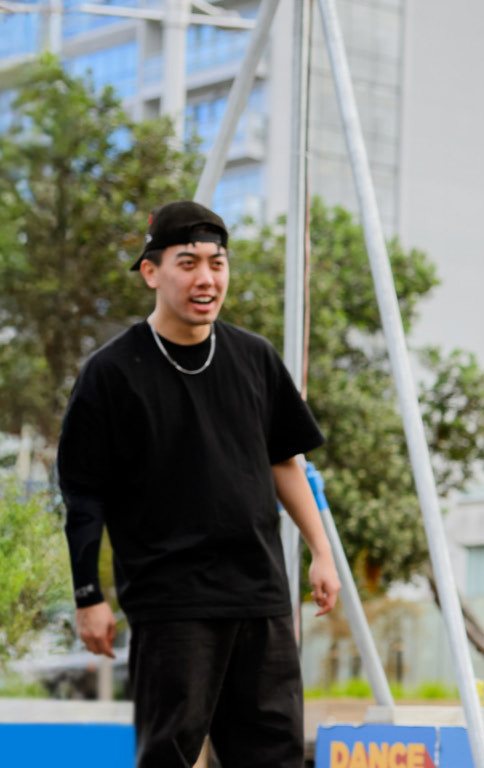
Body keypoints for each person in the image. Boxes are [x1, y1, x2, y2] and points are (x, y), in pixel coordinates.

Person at [57, 200, 341, 767]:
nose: (206, 278)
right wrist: (88, 595)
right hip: (171, 601)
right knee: (169, 755)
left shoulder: (254, 357)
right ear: (151, 271)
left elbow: (284, 460)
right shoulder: (111, 373)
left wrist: (321, 550)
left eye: (217, 262)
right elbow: (84, 495)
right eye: (187, 263)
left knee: (273, 755)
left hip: (259, 594)